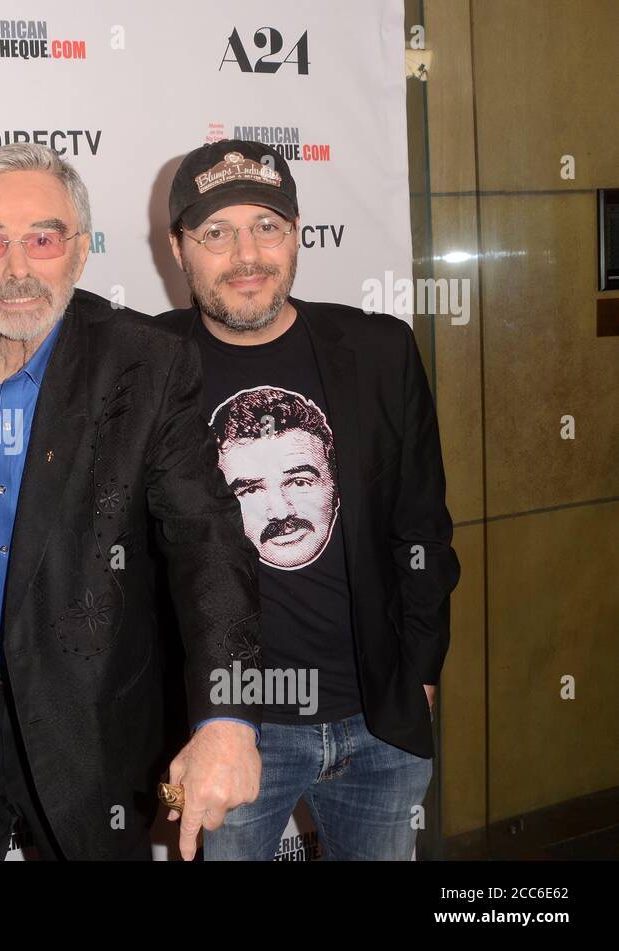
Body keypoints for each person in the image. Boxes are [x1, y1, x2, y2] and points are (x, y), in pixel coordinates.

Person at [0, 143, 263, 860]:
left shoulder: (143, 364)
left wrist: (227, 713)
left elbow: (207, 540)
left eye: (43, 239)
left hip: (89, 718)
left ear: (79, 249)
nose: (17, 268)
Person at [162, 139, 460, 860]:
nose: (247, 255)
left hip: (378, 724)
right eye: (217, 232)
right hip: (232, 730)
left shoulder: (380, 349)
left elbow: (422, 525)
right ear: (178, 248)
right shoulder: (145, 362)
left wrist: (421, 669)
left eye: (267, 226)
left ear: (297, 233)